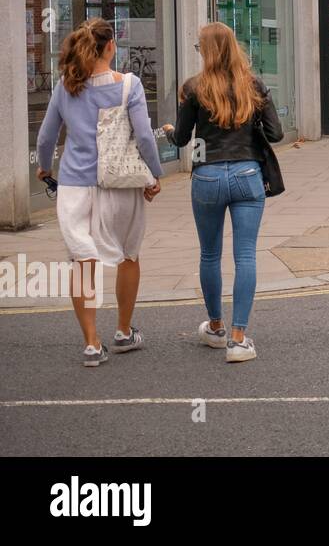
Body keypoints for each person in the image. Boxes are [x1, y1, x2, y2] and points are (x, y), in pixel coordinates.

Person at [37, 19, 164, 367]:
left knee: (82, 261)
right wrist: (154, 175)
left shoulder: (66, 86)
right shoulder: (129, 86)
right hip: (120, 184)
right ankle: (123, 331)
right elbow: (145, 136)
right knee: (129, 253)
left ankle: (92, 343)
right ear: (110, 47)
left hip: (76, 186)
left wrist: (44, 167)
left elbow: (47, 137)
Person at [163, 22, 281, 363]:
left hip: (208, 177)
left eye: (200, 48)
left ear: (207, 51)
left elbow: (183, 139)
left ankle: (215, 327)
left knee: (209, 255)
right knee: (245, 256)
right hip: (247, 174)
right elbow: (276, 133)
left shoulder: (194, 88)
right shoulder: (254, 84)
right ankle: (239, 338)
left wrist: (171, 131)